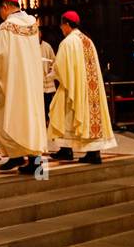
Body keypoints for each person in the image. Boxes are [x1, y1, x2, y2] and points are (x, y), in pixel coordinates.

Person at [0, 0, 46, 174]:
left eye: (0, 11)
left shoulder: (5, 28)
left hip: (12, 83)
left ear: (5, 7)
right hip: (31, 82)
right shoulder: (33, 25)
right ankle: (30, 160)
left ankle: (17, 156)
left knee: (5, 117)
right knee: (31, 118)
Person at [48, 11, 116, 164]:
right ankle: (91, 152)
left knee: (64, 113)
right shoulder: (87, 40)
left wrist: (51, 73)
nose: (61, 29)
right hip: (91, 89)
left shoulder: (68, 42)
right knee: (88, 117)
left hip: (74, 87)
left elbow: (61, 67)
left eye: (61, 25)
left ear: (66, 24)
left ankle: (68, 151)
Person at [40, 35, 57, 117]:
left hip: (47, 79)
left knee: (47, 103)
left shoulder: (47, 46)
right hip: (36, 81)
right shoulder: (30, 47)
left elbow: (54, 60)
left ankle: (47, 120)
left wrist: (51, 70)